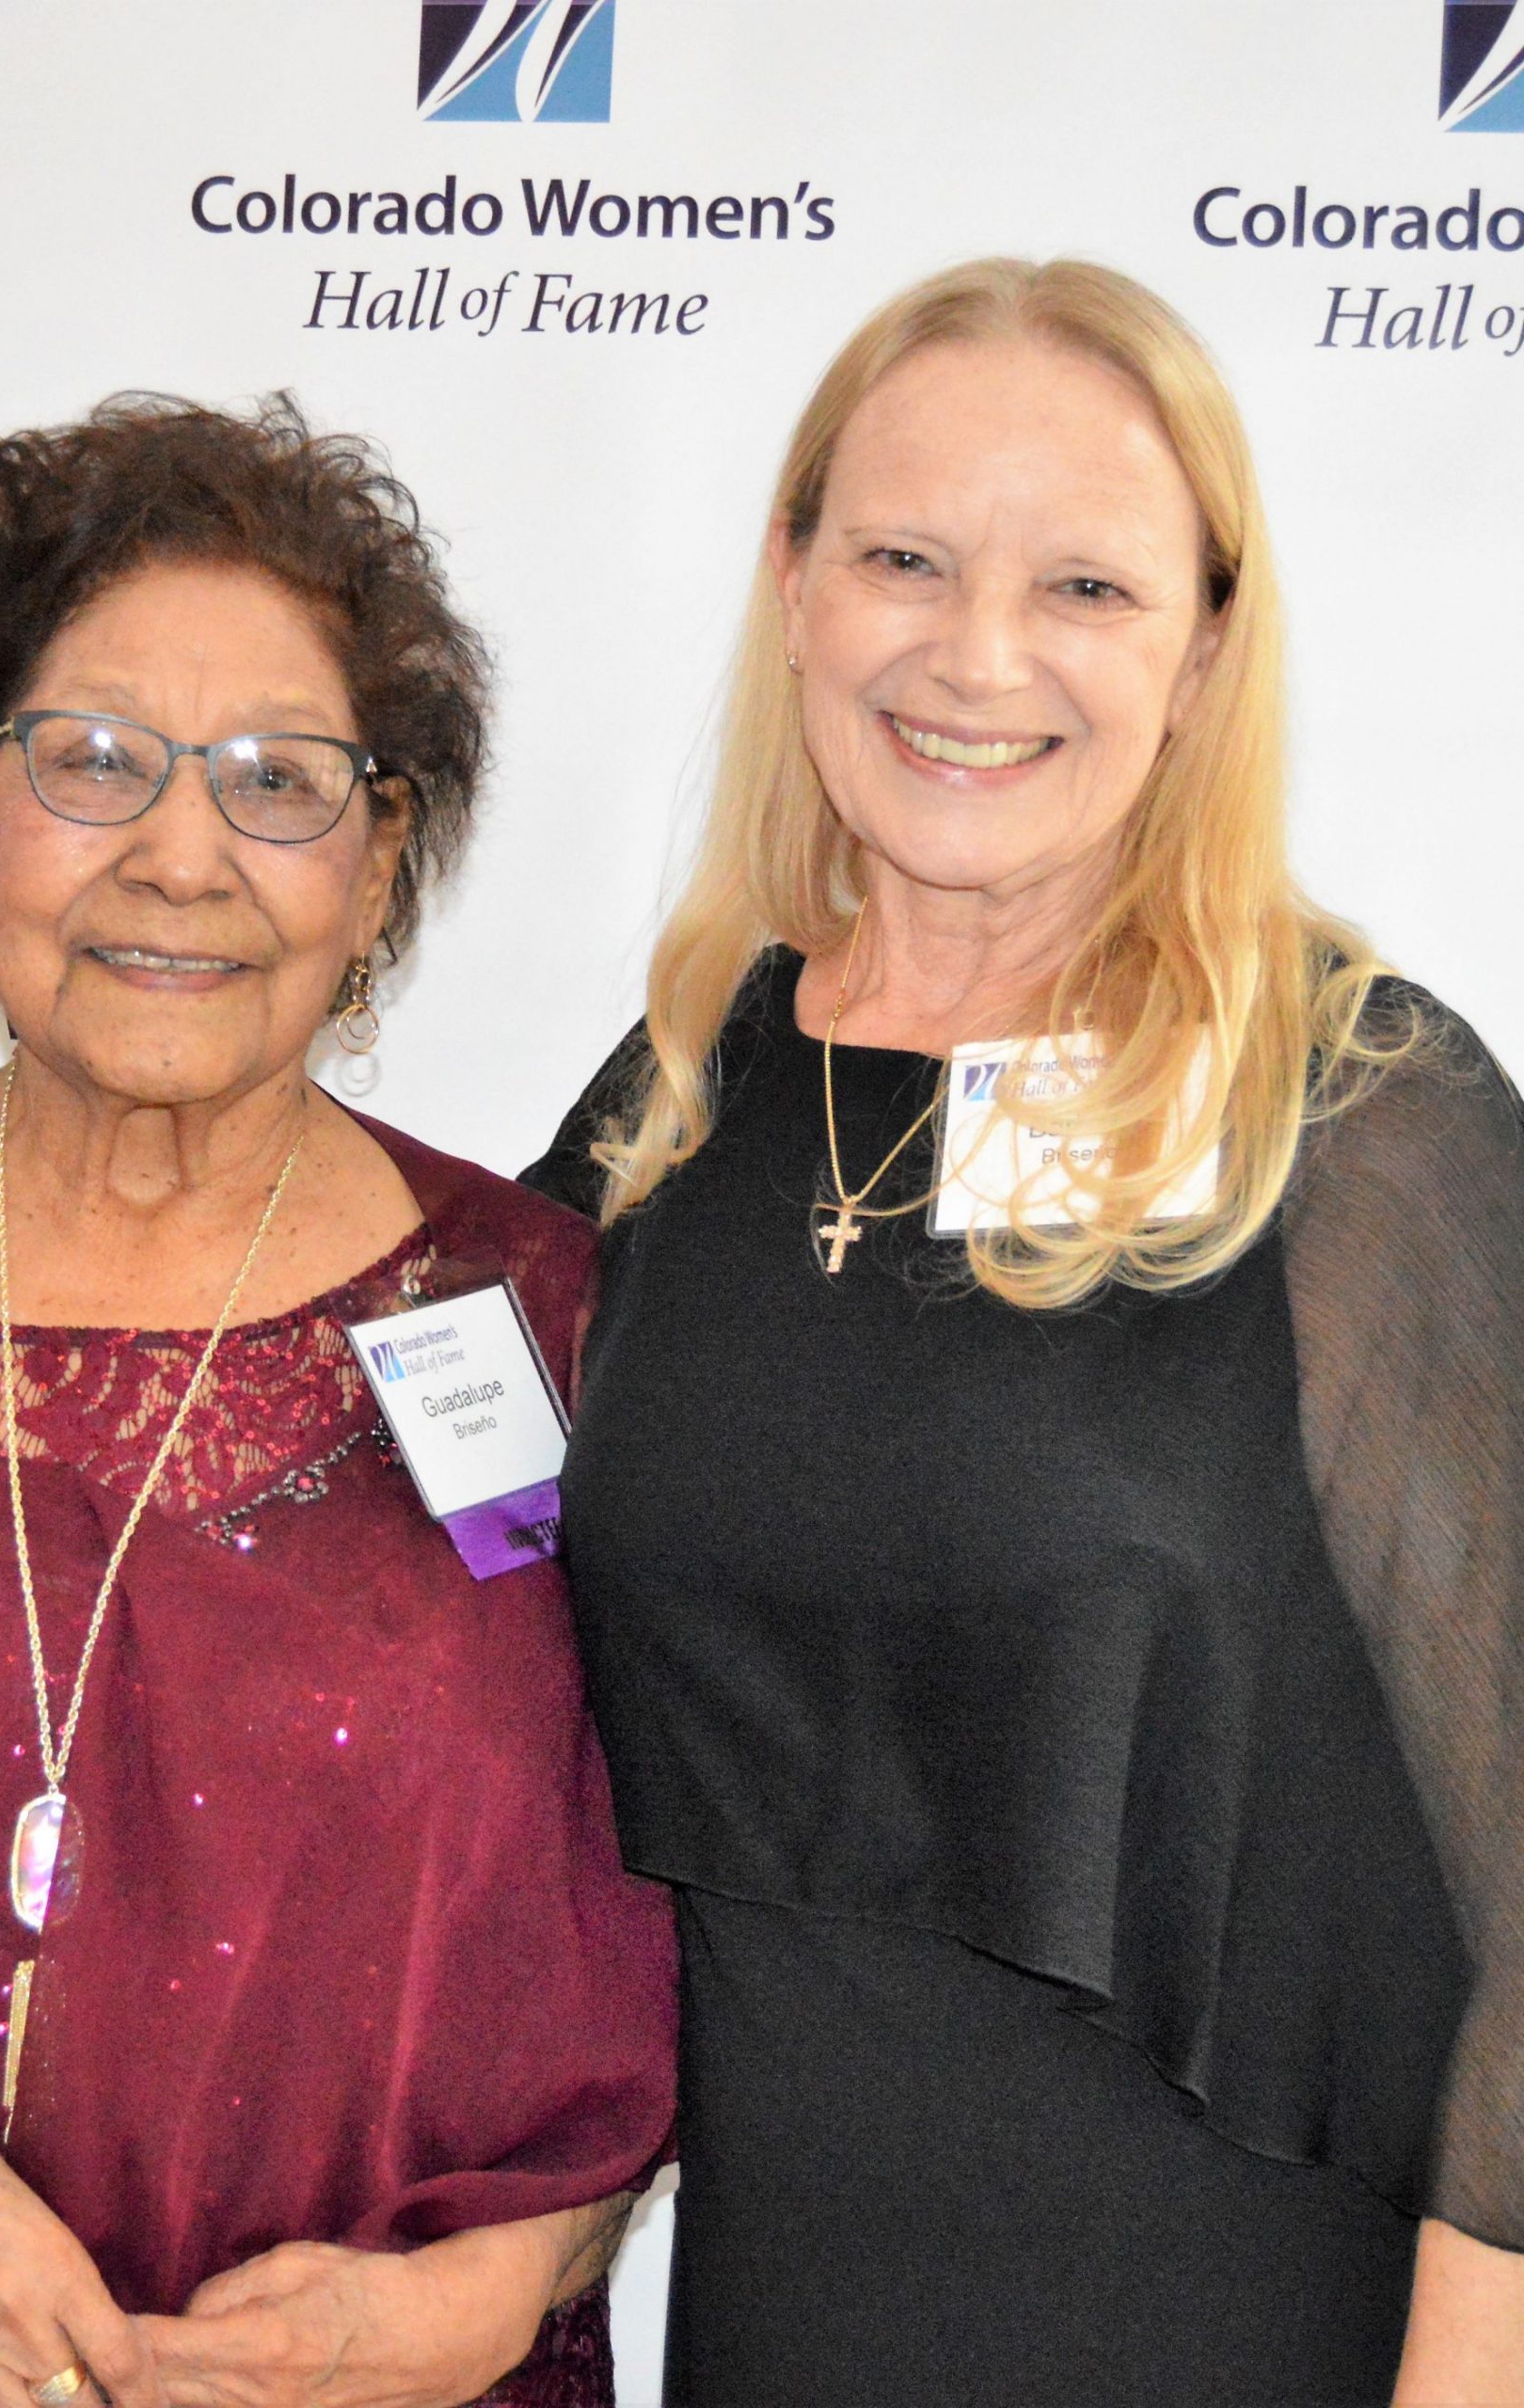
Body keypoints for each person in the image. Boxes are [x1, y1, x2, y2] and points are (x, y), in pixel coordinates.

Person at [0, 393, 677, 2408]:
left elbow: (693, 1915)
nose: (181, 856)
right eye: (91, 759)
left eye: (279, 782)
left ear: (379, 864)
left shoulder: (559, 1325)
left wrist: (501, 2284)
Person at [527, 256, 1524, 2404]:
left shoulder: (1352, 1111)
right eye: (904, 557)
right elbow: (410, 1555)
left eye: (1084, 585)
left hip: (1237, 2327)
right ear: (792, 581)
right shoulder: (688, 1091)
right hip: (779, 2319)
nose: (977, 656)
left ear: (1202, 650)